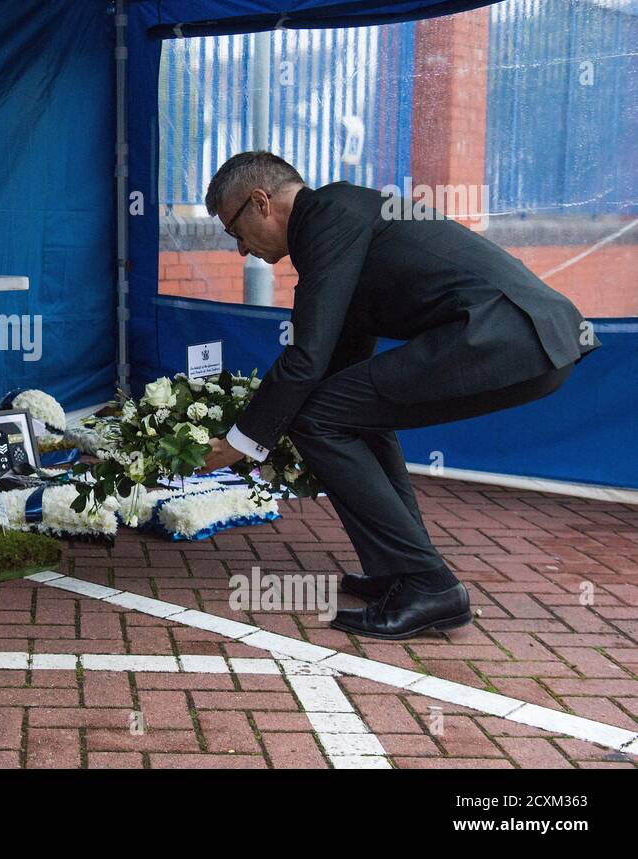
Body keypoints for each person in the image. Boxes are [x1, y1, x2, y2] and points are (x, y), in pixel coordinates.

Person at [199, 152, 599, 640]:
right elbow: (337, 356)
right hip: (521, 337)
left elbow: (306, 356)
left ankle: (428, 585)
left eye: (234, 231)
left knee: (319, 419)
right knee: (345, 413)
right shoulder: (334, 219)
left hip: (507, 335)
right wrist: (272, 418)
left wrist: (239, 443)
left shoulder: (328, 216)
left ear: (260, 202)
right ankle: (401, 571)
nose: (241, 249)